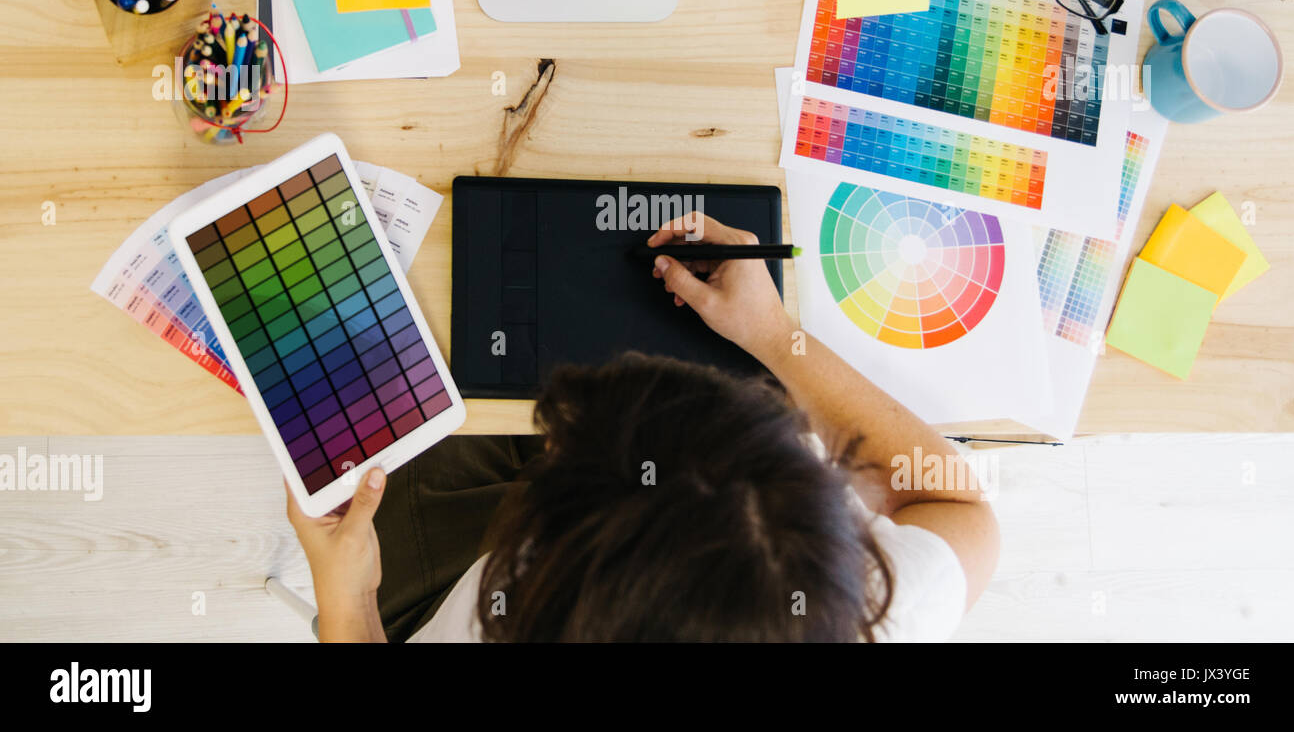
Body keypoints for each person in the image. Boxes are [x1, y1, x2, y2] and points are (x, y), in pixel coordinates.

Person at [288, 213, 999, 642]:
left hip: (423, 600)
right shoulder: (869, 614)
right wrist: (779, 340)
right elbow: (960, 509)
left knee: (384, 382)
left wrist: (347, 598)